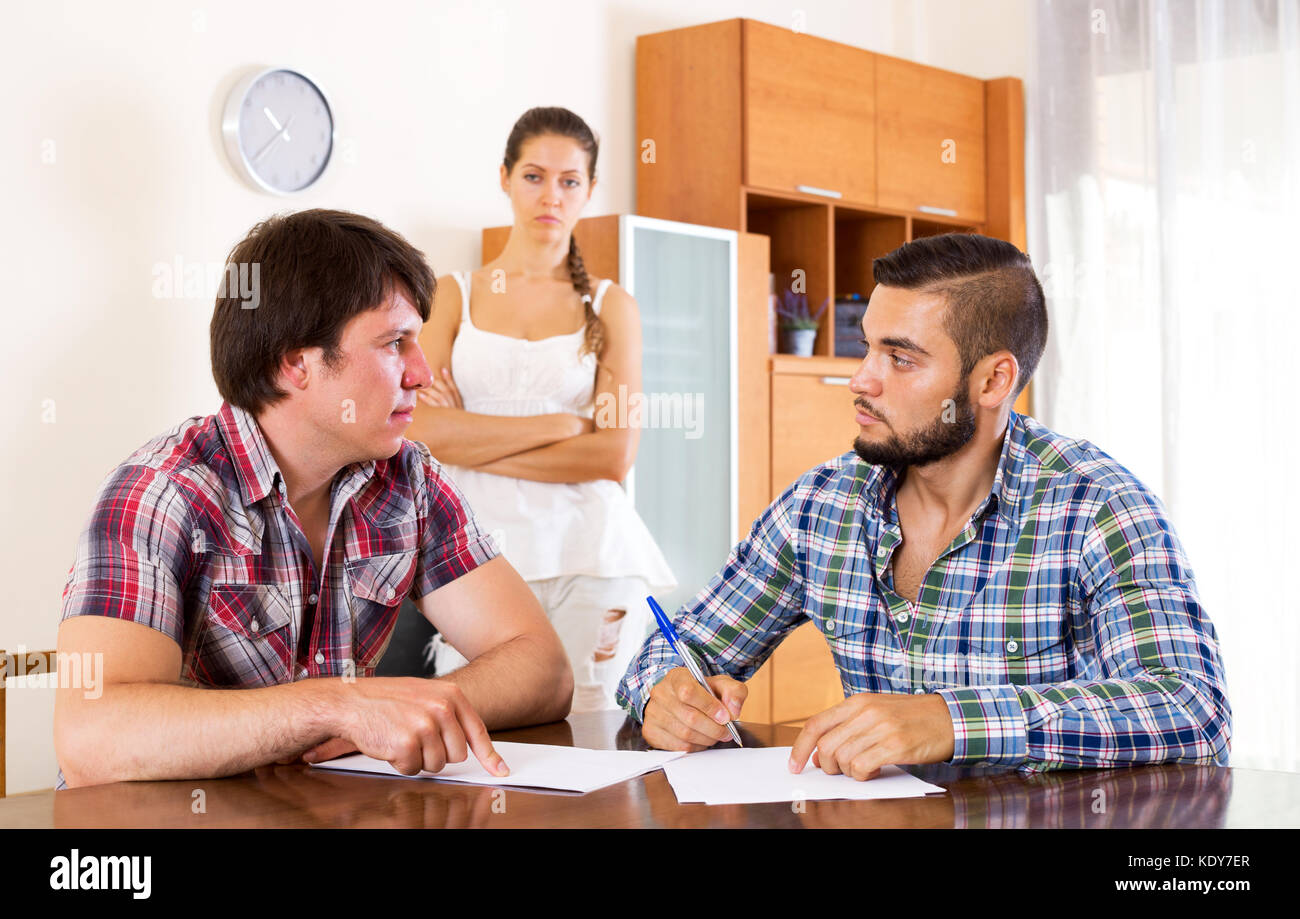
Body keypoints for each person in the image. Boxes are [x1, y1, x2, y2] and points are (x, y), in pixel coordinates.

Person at [618, 232, 1232, 778]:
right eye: (868, 348)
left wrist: (951, 720)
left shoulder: (1098, 506)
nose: (862, 379)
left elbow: (1189, 705)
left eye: (901, 357)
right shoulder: (822, 506)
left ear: (993, 381)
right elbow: (677, 647)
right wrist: (664, 694)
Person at [55, 209, 572, 788]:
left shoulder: (409, 480)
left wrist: (400, 709)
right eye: (394, 343)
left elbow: (544, 669)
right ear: (295, 363)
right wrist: (338, 706)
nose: (423, 373)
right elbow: (90, 736)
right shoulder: (160, 491)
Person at [406, 107, 674, 712]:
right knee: (471, 725)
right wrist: (560, 425)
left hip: (594, 552)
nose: (550, 195)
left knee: (591, 724)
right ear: (504, 177)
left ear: (590, 190)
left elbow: (611, 455)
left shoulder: (611, 307)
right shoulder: (451, 295)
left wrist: (468, 432)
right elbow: (419, 433)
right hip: (477, 556)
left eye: (569, 180)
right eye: (533, 176)